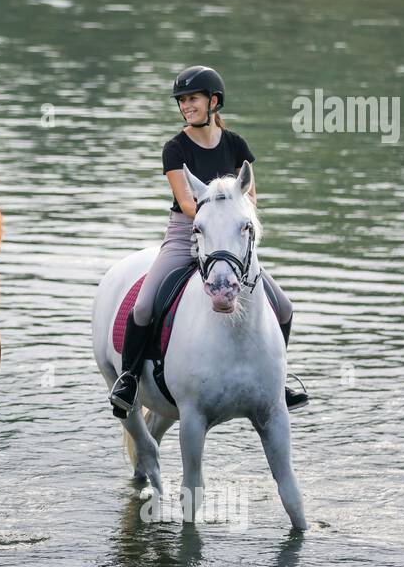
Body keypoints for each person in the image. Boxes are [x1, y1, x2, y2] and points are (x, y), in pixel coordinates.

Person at [109, 65, 308, 418]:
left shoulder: (236, 145)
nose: (186, 105)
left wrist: (230, 224)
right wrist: (210, 217)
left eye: (193, 99)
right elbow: (187, 202)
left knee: (285, 307)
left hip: (229, 241)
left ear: (213, 102)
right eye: (182, 100)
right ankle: (127, 381)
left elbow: (250, 199)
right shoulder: (174, 148)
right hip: (184, 233)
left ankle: (280, 381)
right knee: (142, 307)